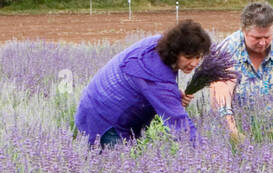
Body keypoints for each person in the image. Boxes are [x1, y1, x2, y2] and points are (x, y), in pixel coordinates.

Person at [75, 19, 210, 150]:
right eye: (188, 57)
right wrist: (203, 154)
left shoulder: (158, 44)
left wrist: (173, 96)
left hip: (94, 106)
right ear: (174, 52)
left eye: (198, 57)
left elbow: (154, 91)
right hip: (105, 122)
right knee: (119, 169)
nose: (193, 63)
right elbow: (178, 124)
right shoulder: (154, 74)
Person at [209, 1, 273, 140]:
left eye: (267, 37)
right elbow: (221, 101)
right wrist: (233, 134)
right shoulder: (228, 51)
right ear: (244, 30)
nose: (263, 42)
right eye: (257, 38)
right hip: (240, 130)